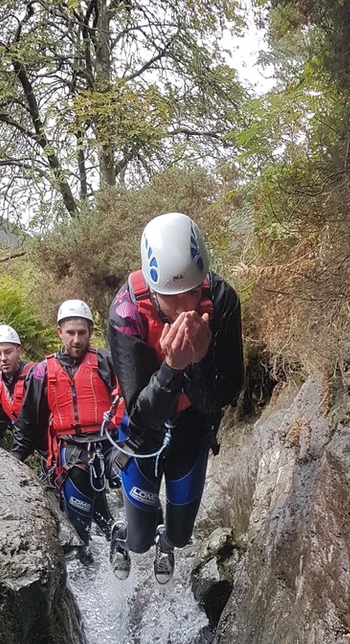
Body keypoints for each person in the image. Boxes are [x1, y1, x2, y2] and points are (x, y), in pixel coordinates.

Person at [107, 212, 243, 584]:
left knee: (181, 535)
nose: (187, 309)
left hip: (191, 428)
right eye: (172, 299)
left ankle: (167, 541)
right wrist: (172, 368)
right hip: (143, 435)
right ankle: (122, 537)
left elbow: (227, 390)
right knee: (138, 541)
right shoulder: (126, 311)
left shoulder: (221, 298)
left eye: (194, 293)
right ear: (153, 291)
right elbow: (139, 413)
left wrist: (197, 364)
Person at [12, 299, 121, 549]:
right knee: (79, 521)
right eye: (70, 333)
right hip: (71, 450)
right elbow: (29, 420)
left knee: (128, 496)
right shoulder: (42, 372)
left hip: (109, 443)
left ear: (90, 332)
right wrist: (16, 458)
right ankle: (88, 561)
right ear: (59, 332)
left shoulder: (106, 362)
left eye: (81, 333)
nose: (76, 340)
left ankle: (125, 543)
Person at [0, 324, 37, 444]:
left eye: (8, 352)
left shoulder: (36, 376)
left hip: (51, 445)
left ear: (19, 350)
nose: (3, 358)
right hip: (26, 444)